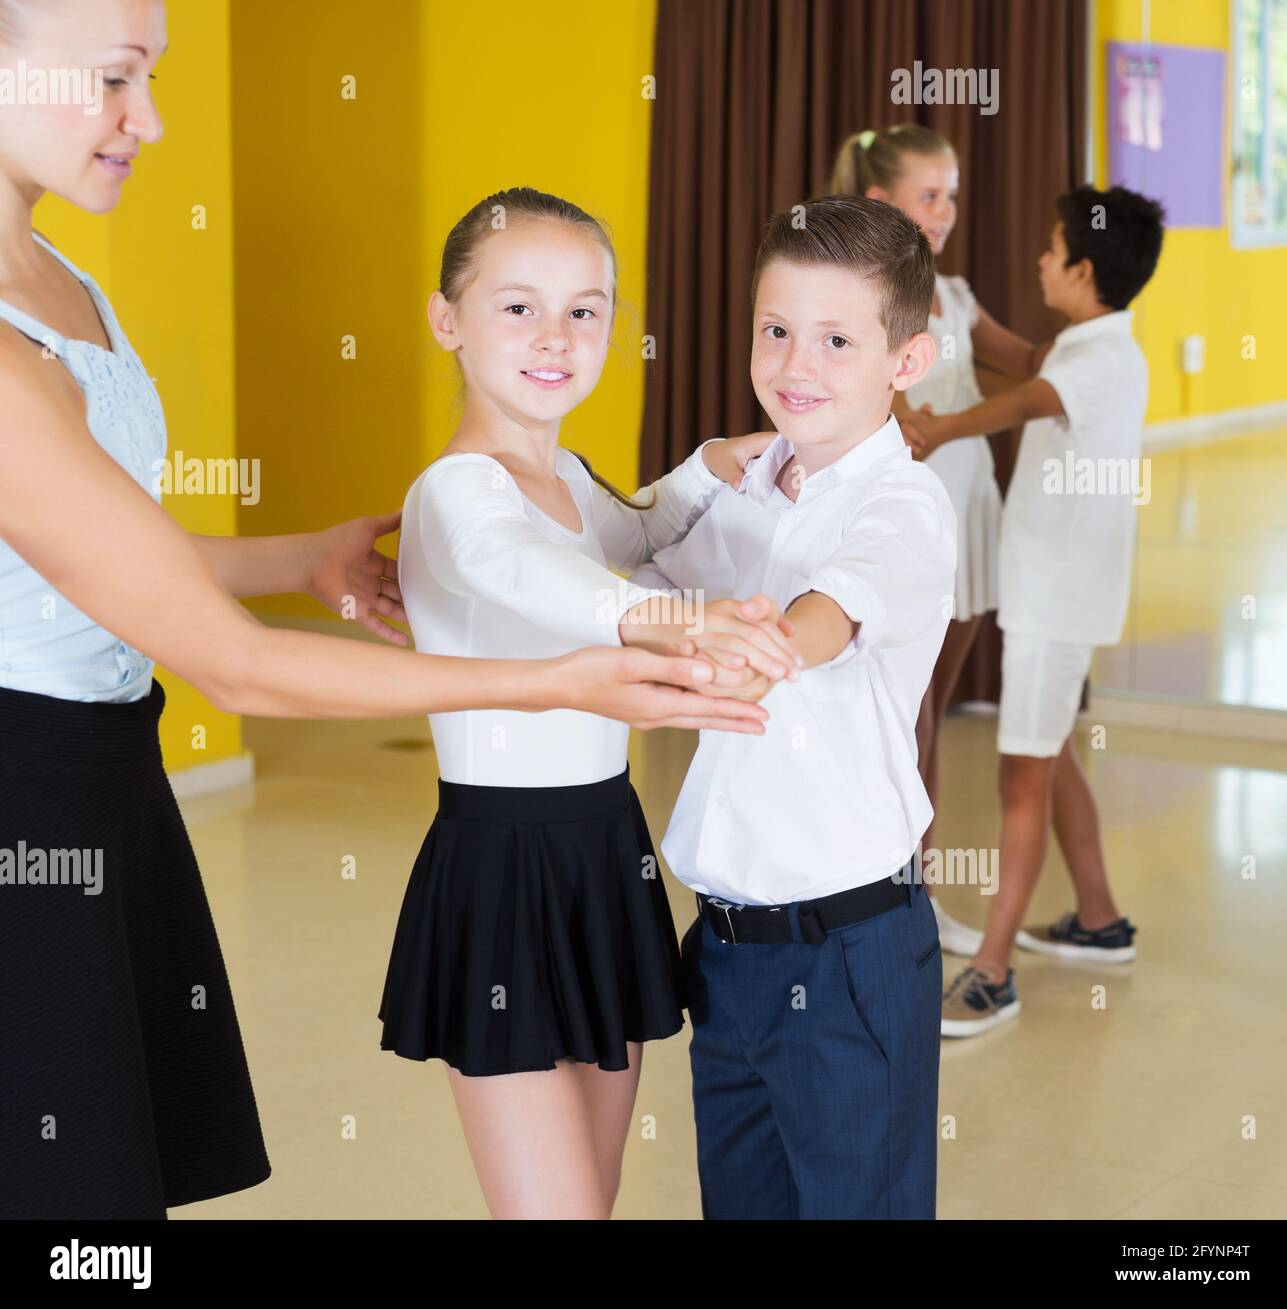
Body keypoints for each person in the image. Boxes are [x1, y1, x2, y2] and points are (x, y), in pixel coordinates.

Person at [0, 0, 772, 1219]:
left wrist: (298, 552)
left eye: (152, 76)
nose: (149, 119)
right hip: (28, 789)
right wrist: (566, 671)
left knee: (108, 1187)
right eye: (117, 76)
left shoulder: (62, 280)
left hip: (110, 771)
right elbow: (241, 672)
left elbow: (86, 558)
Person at [379, 187, 804, 1220]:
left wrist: (706, 470)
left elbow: (633, 529)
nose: (557, 337)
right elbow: (532, 576)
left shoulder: (563, 472)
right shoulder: (456, 490)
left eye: (587, 309)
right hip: (499, 869)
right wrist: (680, 622)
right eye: (518, 307)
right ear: (448, 321)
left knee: (590, 1201)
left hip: (603, 853)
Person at [628, 195, 957, 1218]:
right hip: (727, 952)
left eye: (835, 340)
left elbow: (830, 615)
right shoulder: (752, 486)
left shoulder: (902, 504)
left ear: (906, 361)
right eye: (775, 331)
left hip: (849, 955)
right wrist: (704, 470)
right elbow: (623, 550)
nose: (793, 365)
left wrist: (755, 646)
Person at [902, 185, 1165, 1037]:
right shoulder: (1095, 346)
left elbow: (1028, 400)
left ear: (1084, 270)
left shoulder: (1092, 365)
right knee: (1051, 759)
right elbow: (1022, 367)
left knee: (1021, 777)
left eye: (1053, 252)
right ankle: (1098, 918)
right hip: (1061, 595)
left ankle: (992, 970)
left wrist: (941, 429)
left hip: (1057, 603)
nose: (1041, 260)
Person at [828, 124, 1052, 957]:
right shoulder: (851, 295)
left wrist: (1101, 319)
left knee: (928, 721)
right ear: (883, 200)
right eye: (933, 194)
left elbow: (1033, 361)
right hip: (896, 530)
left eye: (953, 193)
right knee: (898, 717)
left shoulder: (954, 297)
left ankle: (914, 892)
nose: (948, 210)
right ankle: (882, 892)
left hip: (966, 520)